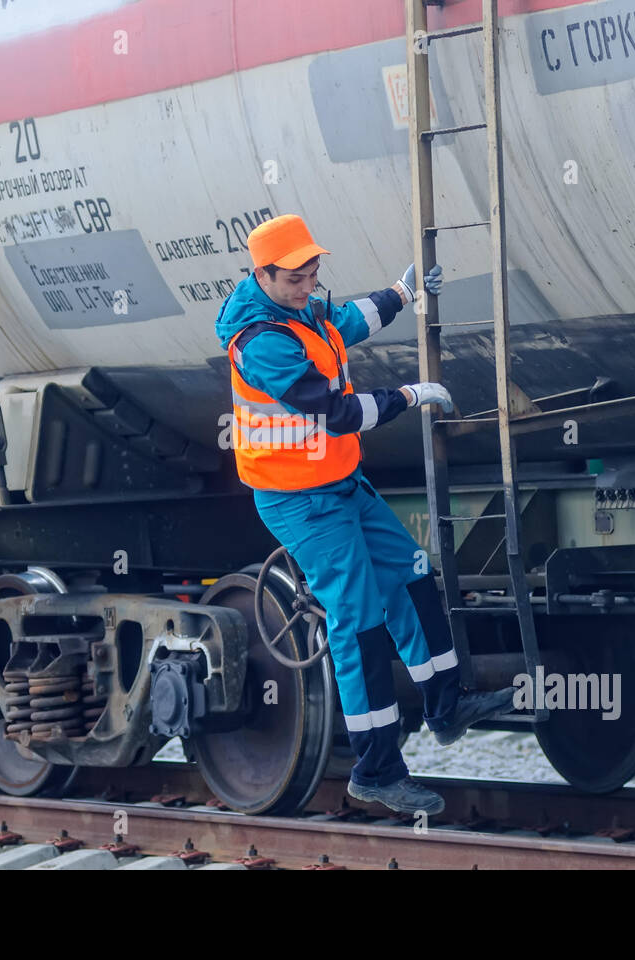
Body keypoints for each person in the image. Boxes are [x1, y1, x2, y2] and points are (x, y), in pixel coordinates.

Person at [214, 214, 515, 816]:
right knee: (358, 619)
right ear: (263, 274)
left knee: (411, 572)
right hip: (299, 500)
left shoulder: (297, 310)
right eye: (296, 278)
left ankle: (446, 704)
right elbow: (338, 413)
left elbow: (345, 322)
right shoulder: (261, 341)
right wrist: (410, 395)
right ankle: (376, 771)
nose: (308, 285)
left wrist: (401, 294)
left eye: (312, 272)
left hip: (340, 483)